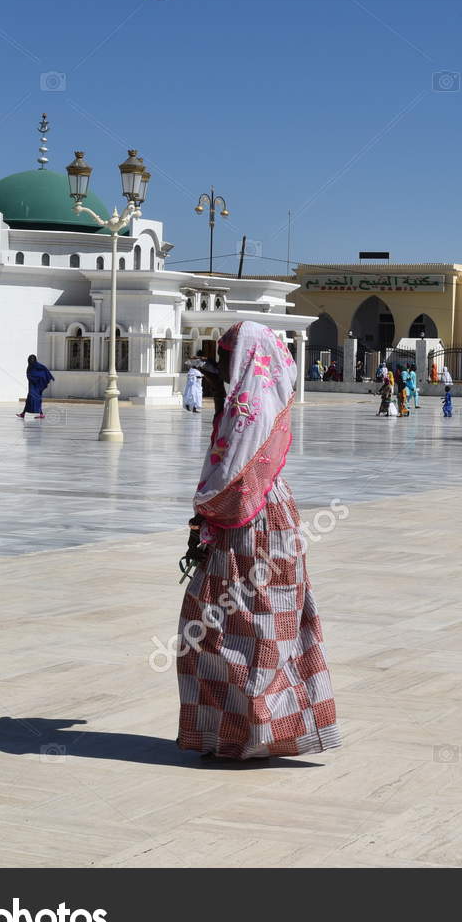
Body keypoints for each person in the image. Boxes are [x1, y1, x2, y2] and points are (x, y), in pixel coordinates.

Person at [177, 321, 340, 760]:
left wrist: (202, 515)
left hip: (250, 517)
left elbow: (230, 475)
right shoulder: (251, 397)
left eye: (227, 354)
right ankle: (255, 732)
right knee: (258, 620)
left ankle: (251, 733)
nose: (221, 363)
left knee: (240, 626)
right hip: (268, 510)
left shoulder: (248, 406)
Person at [19, 354, 53, 419]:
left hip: (37, 387)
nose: (31, 360)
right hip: (32, 386)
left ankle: (38, 414)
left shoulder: (38, 366)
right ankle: (23, 413)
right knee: (29, 400)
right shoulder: (30, 366)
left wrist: (40, 381)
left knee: (36, 400)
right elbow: (29, 375)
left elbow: (45, 372)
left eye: (32, 359)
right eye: (30, 359)